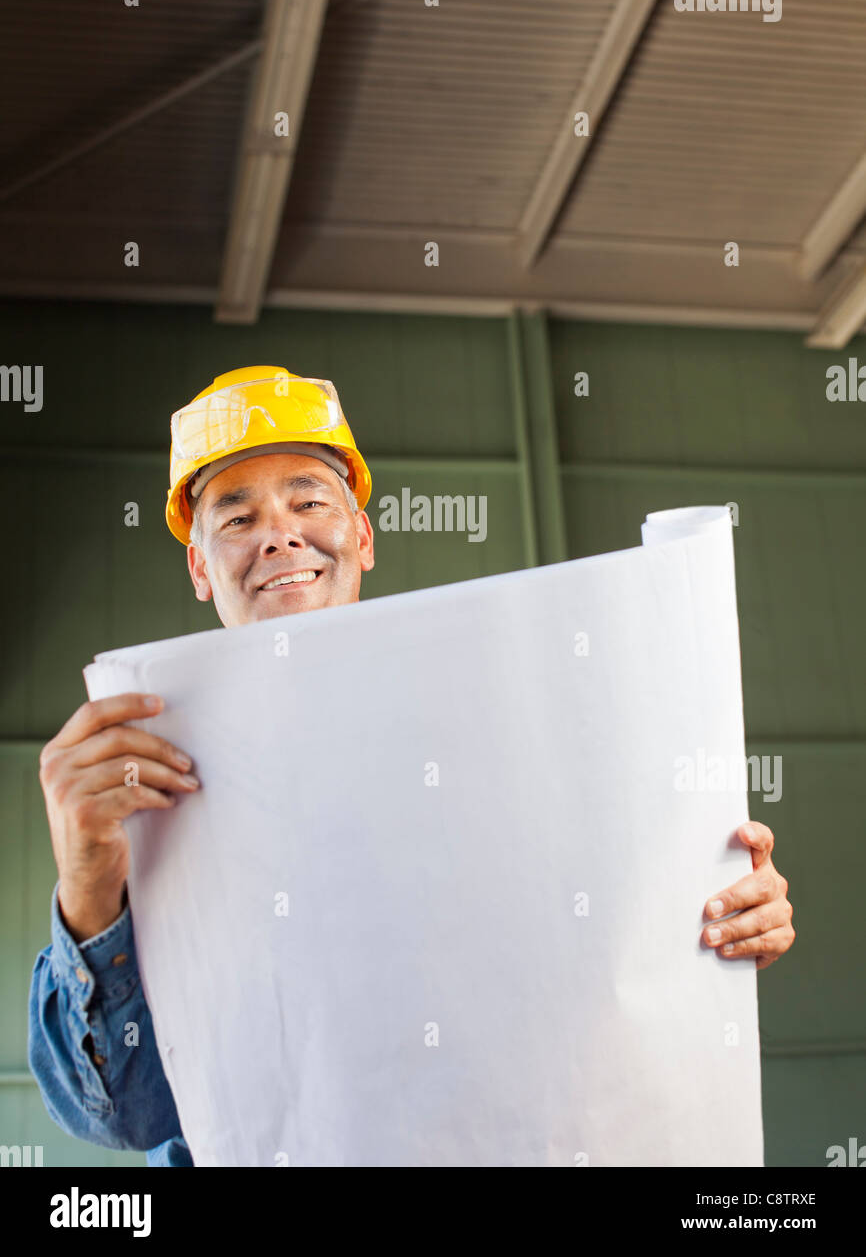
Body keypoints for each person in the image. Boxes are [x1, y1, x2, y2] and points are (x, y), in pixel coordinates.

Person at [28, 365, 795, 1167]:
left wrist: (713, 917)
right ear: (199, 567)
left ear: (361, 535)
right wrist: (88, 887)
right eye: (237, 515)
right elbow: (120, 1115)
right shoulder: (136, 776)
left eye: (309, 500)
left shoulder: (500, 721)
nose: (278, 535)